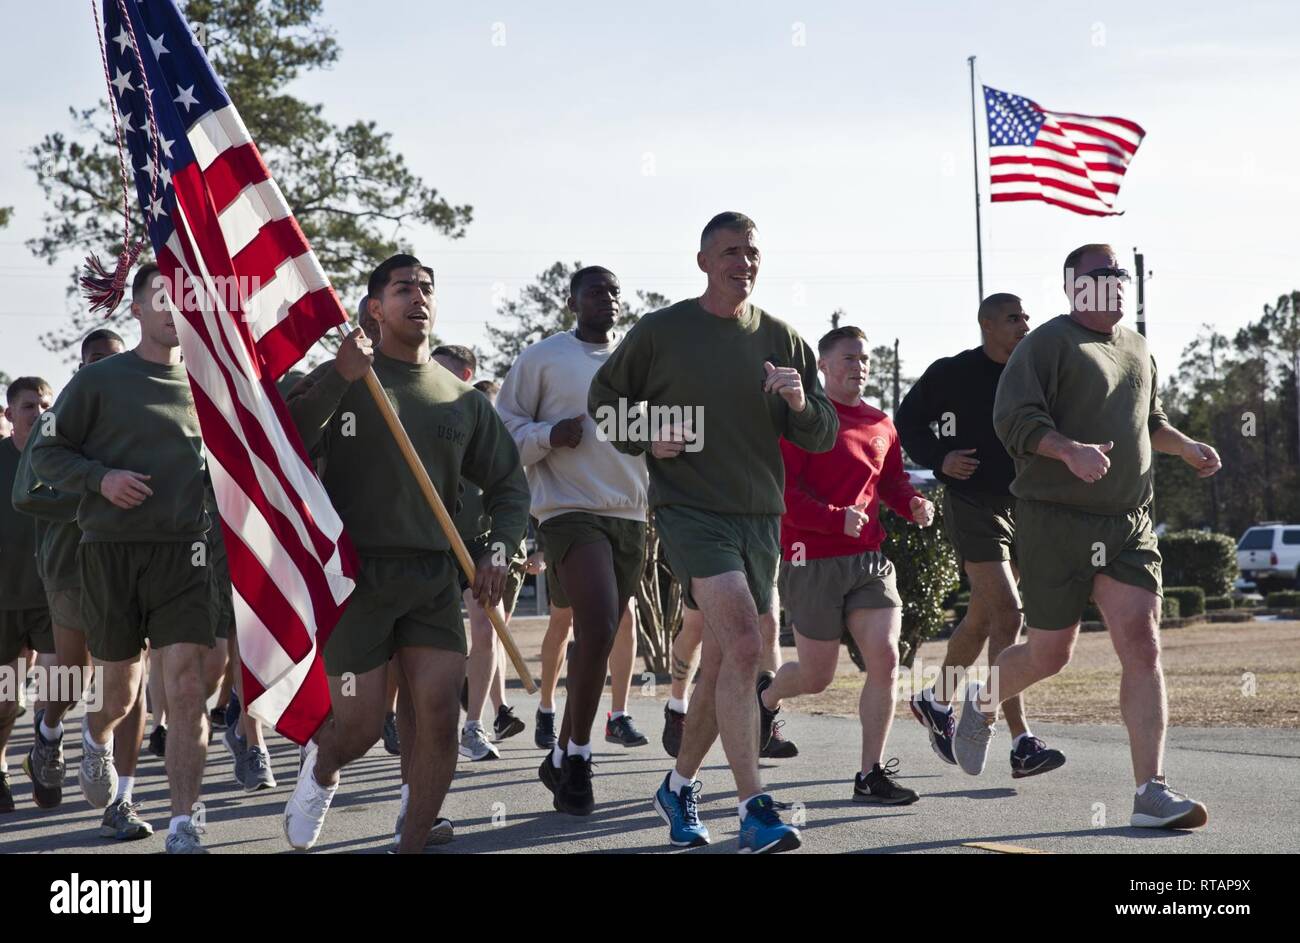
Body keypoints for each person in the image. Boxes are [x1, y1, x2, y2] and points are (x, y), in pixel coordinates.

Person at [590, 212, 838, 852]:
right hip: (691, 512)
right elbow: (604, 403)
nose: (743, 262)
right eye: (729, 252)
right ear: (703, 261)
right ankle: (754, 808)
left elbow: (824, 433)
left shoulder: (782, 339)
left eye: (752, 252)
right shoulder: (662, 332)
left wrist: (800, 403)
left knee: (729, 661)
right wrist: (647, 435)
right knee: (747, 646)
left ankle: (677, 784)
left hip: (760, 517)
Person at [956, 243, 1221, 830]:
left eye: (1121, 273)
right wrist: (1067, 450)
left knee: (1143, 644)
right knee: (1051, 654)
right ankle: (980, 700)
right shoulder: (1045, 344)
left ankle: (1150, 790)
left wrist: (1187, 448)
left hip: (1127, 521)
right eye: (1105, 273)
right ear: (1075, 284)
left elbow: (1150, 422)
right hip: (1055, 520)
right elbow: (1015, 420)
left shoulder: (1138, 347)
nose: (1118, 281)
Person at [282, 254, 530, 853]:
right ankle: (321, 768)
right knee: (362, 725)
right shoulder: (345, 374)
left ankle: (410, 841)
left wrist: (499, 549)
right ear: (375, 307)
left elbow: (509, 485)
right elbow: (286, 437)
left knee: (440, 713)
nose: (417, 298)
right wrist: (339, 376)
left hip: (432, 576)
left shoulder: (461, 399)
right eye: (402, 289)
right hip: (355, 577)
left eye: (426, 289)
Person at [31, 264, 215, 853]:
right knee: (121, 695)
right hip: (109, 553)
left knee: (186, 688)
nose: (173, 307)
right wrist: (100, 478)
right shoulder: (100, 381)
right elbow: (44, 455)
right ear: (135, 310)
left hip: (185, 556)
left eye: (185, 298)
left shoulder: (213, 385)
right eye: (160, 297)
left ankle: (183, 824)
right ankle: (93, 732)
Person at [757, 325, 935, 804]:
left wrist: (914, 503)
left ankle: (869, 774)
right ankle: (766, 699)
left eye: (865, 359)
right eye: (850, 359)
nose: (861, 367)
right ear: (824, 366)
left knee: (886, 658)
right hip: (810, 558)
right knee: (817, 678)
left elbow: (893, 483)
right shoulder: (803, 422)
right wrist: (837, 521)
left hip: (869, 561)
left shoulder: (881, 423)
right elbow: (785, 497)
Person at [498, 265, 651, 815]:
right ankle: (582, 758)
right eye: (594, 291)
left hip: (632, 515)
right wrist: (547, 436)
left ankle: (560, 755)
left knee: (600, 634)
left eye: (614, 290)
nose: (607, 299)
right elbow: (503, 436)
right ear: (572, 301)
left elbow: (663, 429)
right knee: (600, 622)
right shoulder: (542, 358)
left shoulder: (637, 359)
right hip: (567, 512)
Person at [895, 294, 1066, 778]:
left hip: (1022, 506)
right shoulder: (951, 372)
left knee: (981, 619)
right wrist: (938, 459)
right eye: (1013, 318)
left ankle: (935, 698)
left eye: (1026, 316)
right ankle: (1019, 738)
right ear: (986, 324)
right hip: (971, 503)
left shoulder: (1033, 374)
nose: (1024, 324)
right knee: (1009, 614)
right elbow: (907, 421)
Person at [0, 377, 57, 814]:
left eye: (43, 405)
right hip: (4, 596)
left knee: (63, 682)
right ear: (9, 414)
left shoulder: (62, 460)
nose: (37, 413)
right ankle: (1, 767)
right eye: (27, 407)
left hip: (52, 594)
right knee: (5, 698)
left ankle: (44, 751)